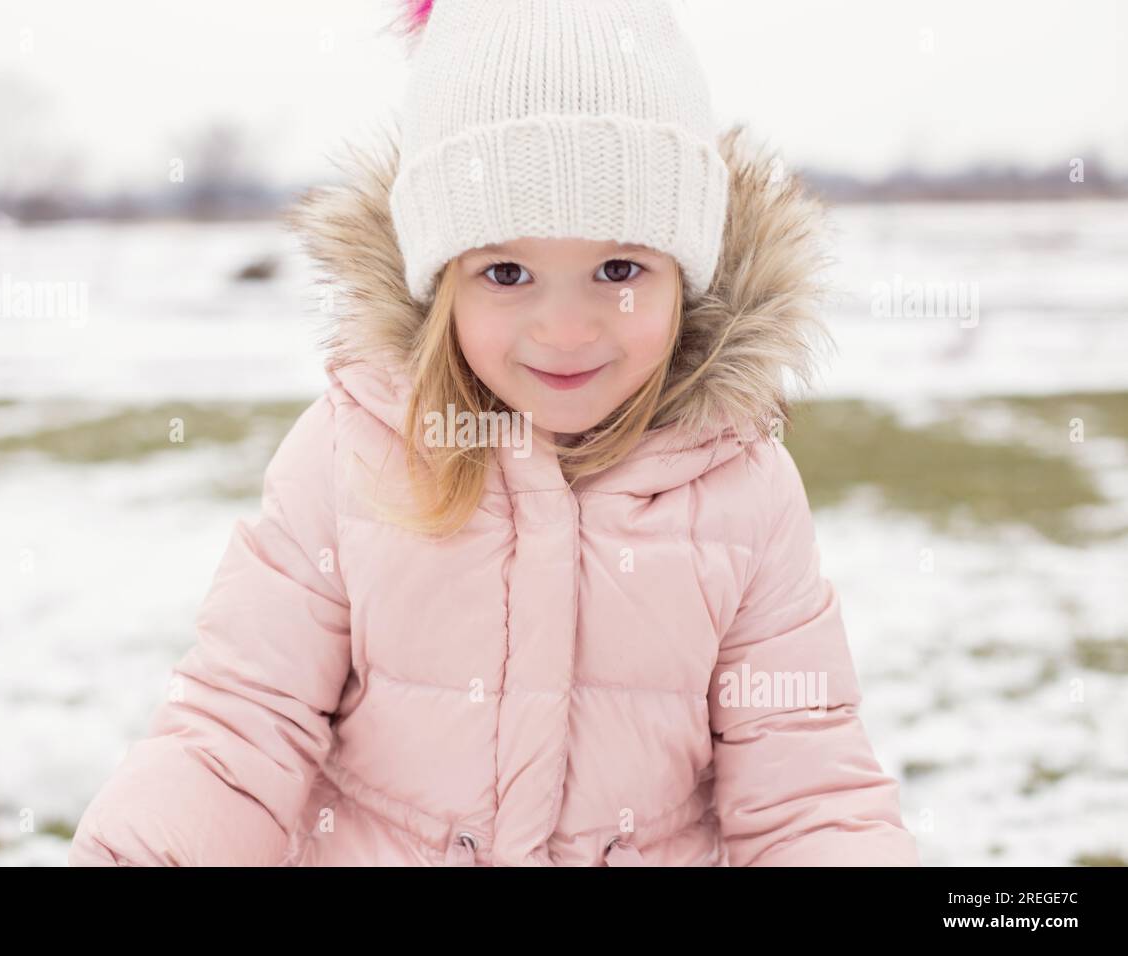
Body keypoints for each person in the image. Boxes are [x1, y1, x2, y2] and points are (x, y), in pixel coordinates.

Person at [68, 0, 921, 866]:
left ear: (685, 275)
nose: (565, 328)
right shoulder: (350, 455)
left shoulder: (743, 487)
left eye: (617, 269)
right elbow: (239, 728)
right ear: (441, 282)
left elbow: (807, 783)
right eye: (506, 272)